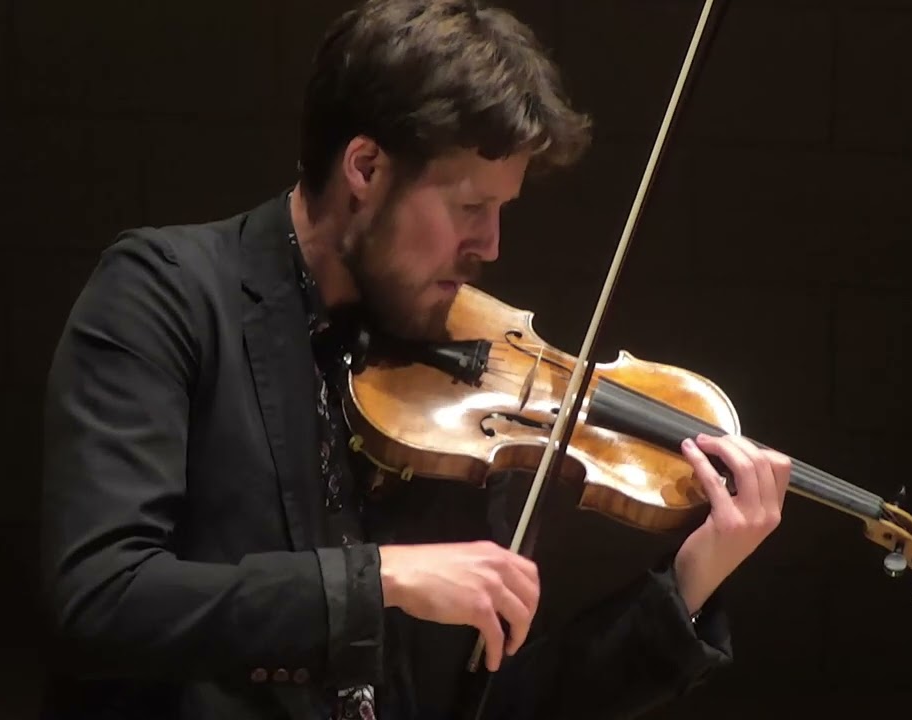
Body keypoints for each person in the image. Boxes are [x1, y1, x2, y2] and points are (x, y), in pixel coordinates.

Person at [38, 1, 792, 718]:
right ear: (364, 168)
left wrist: (692, 579)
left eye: (502, 212)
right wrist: (381, 580)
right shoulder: (164, 295)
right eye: (470, 208)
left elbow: (494, 704)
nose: (491, 246)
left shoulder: (445, 391)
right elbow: (101, 601)